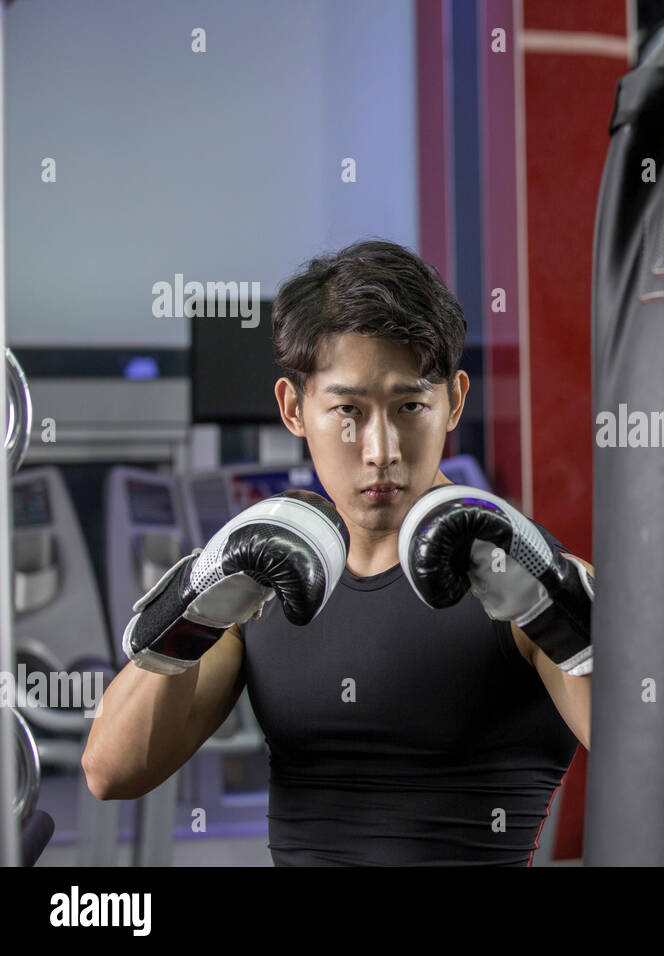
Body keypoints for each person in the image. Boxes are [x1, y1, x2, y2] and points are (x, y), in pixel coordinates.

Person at [83, 240, 593, 865]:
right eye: (349, 409)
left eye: (410, 406)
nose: (381, 448)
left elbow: (661, 759)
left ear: (454, 401)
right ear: (294, 408)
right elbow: (110, 771)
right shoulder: (263, 577)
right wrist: (193, 605)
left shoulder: (524, 577)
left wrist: (563, 608)